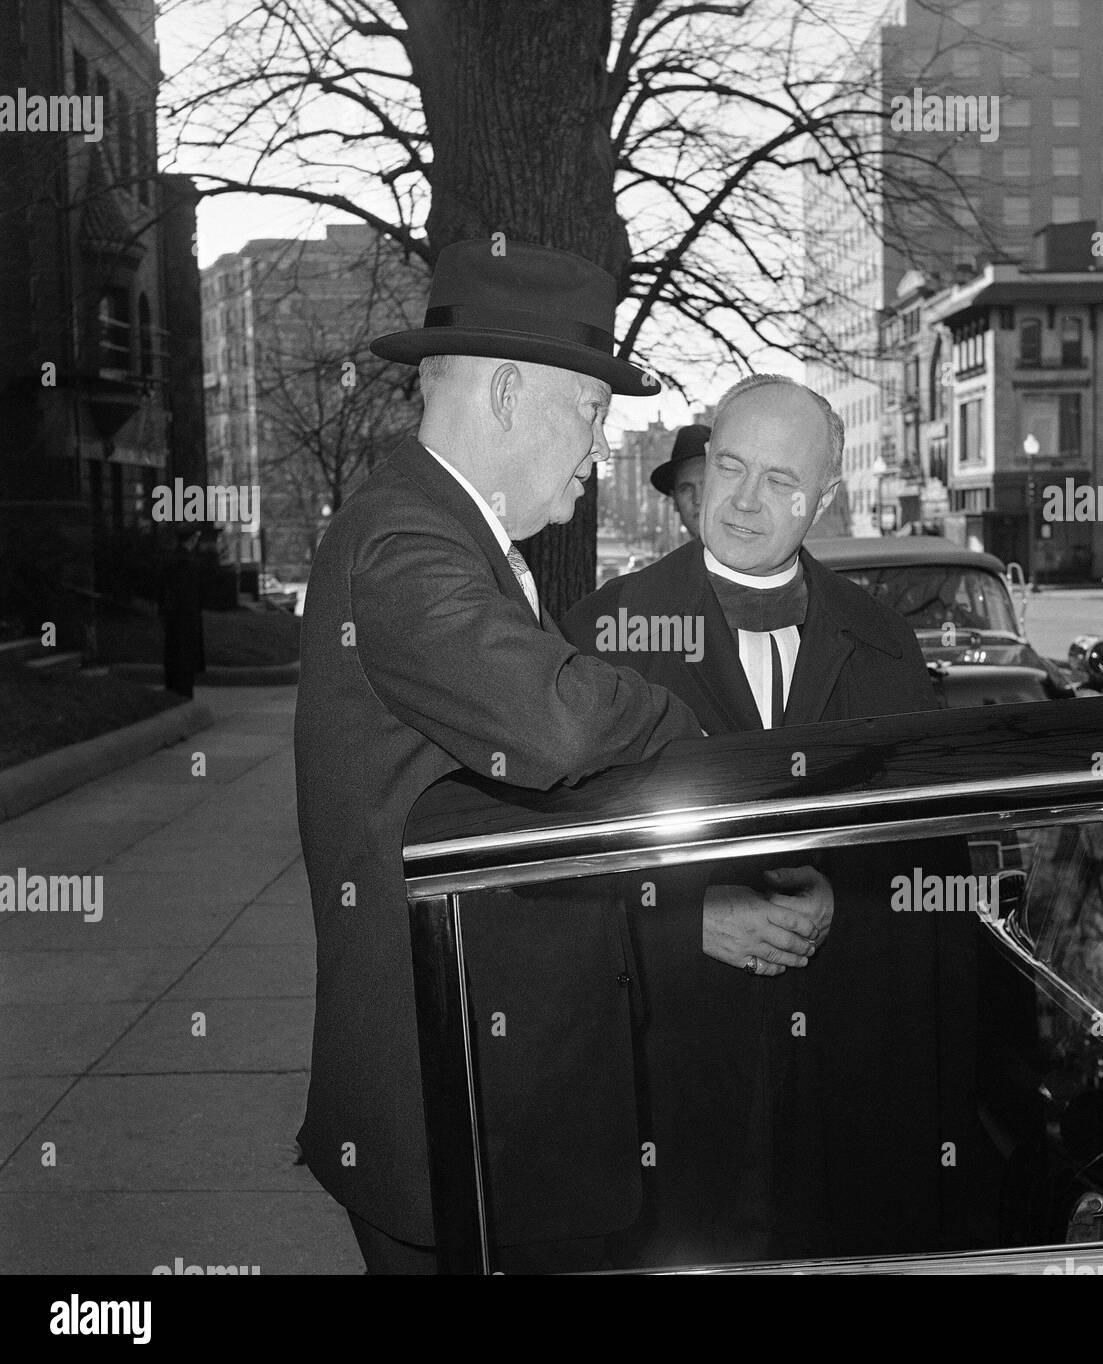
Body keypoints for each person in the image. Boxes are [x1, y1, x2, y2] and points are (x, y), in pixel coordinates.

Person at [293, 241, 829, 1274]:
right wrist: (696, 733)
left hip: (494, 1095)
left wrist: (688, 910)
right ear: (504, 392)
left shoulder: (459, 537)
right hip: (450, 1109)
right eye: (588, 411)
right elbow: (558, 726)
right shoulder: (405, 540)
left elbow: (505, 814)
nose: (600, 441)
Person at [563, 373, 971, 1264]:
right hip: (670, 1090)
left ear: (825, 497)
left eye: (781, 482)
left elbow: (934, 864)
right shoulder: (603, 638)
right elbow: (545, 876)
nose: (744, 502)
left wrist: (846, 901)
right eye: (731, 466)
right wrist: (684, 919)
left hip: (842, 1093)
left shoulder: (882, 642)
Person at [158, 527, 204, 697]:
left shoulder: (172, 559)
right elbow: (189, 593)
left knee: (173, 655)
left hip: (173, 616)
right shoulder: (186, 562)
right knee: (184, 657)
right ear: (192, 539)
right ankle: (183, 691)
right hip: (185, 617)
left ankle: (174, 689)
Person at [649, 422, 709, 540]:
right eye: (686, 489)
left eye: (707, 485)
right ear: (675, 501)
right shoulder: (677, 559)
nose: (698, 500)